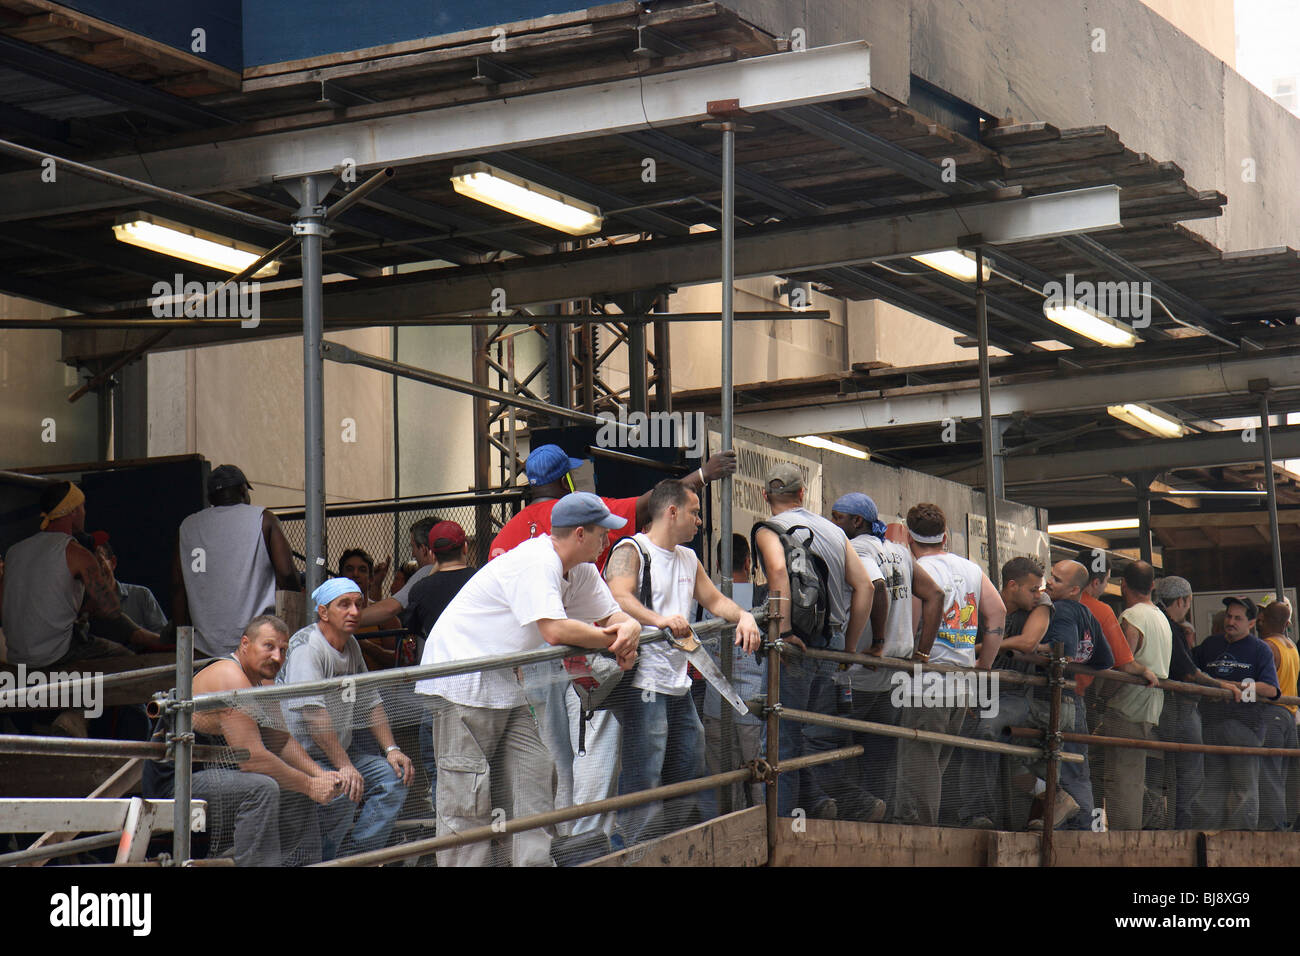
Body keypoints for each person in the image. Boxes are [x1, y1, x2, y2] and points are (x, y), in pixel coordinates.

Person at [416, 493, 641, 866]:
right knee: (467, 799)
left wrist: (628, 628)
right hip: (461, 683)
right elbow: (554, 630)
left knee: (534, 777)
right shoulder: (537, 560)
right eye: (604, 532)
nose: (609, 540)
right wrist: (612, 641)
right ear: (581, 534)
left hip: (504, 684)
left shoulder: (581, 568)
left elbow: (612, 616)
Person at [603, 480, 760, 844]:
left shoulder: (688, 557)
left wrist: (745, 617)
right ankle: (627, 851)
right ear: (671, 511)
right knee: (645, 775)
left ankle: (668, 845)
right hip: (644, 682)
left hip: (678, 683)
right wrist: (659, 620)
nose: (700, 521)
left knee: (687, 767)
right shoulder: (632, 548)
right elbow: (616, 596)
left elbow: (716, 600)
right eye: (695, 512)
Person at [143, 615, 344, 866]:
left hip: (219, 774)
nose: (277, 657)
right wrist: (309, 784)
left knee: (296, 788)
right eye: (268, 646)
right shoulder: (230, 675)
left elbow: (280, 741)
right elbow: (255, 760)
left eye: (283, 650)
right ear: (246, 644)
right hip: (178, 782)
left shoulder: (264, 679)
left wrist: (319, 776)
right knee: (263, 788)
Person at [752, 463, 875, 821]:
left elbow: (777, 571)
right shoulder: (835, 532)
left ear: (765, 495)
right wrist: (848, 647)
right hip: (831, 643)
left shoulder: (769, 529)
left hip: (796, 645)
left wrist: (786, 629)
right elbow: (865, 587)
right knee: (813, 736)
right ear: (803, 493)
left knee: (779, 735)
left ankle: (780, 824)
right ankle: (816, 810)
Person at [279, 578, 413, 860]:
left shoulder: (351, 644)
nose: (354, 611)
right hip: (303, 755)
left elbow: (370, 701)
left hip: (339, 751)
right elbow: (313, 716)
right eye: (345, 605)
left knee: (395, 777)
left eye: (358, 604)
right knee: (344, 790)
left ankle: (356, 858)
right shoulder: (308, 647)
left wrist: (392, 750)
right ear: (323, 612)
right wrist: (345, 766)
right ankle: (327, 861)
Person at [829, 493, 943, 813]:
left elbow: (875, 586)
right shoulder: (899, 551)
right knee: (879, 755)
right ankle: (878, 815)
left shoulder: (860, 547)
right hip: (893, 675)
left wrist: (877, 640)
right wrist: (921, 654)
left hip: (862, 675)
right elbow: (934, 594)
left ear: (857, 522)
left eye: (838, 517)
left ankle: (856, 811)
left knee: (833, 749)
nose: (833, 523)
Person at [894, 503, 1005, 827]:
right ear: (946, 536)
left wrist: (910, 658)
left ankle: (920, 838)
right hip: (963, 680)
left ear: (909, 538)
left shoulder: (917, 569)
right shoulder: (969, 568)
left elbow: (913, 621)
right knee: (933, 764)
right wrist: (982, 668)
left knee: (919, 763)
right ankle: (920, 828)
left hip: (928, 678)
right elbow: (997, 613)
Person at [488, 443, 737, 568]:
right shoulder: (580, 511)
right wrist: (704, 474)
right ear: (566, 480)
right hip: (572, 640)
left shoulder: (505, 533)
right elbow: (651, 502)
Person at [3, 481, 158, 668]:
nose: (85, 513)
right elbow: (110, 609)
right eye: (83, 507)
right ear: (73, 511)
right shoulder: (76, 553)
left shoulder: (14, 552)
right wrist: (105, 583)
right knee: (126, 657)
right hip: (54, 655)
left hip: (17, 656)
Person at [959, 556, 1054, 829]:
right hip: (979, 691)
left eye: (1040, 588)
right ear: (1012, 586)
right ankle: (975, 814)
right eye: (1032, 589)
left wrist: (984, 647)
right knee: (969, 731)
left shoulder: (1041, 604)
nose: (1039, 594)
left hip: (1016, 695)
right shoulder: (980, 605)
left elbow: (1028, 643)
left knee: (984, 729)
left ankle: (978, 814)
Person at [175, 465, 300, 658]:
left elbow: (178, 587)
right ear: (243, 491)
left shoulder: (188, 526)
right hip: (258, 641)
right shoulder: (263, 519)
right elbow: (286, 574)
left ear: (210, 498)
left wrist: (182, 641)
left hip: (205, 647)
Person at [1193, 596, 1278, 830]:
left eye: (1238, 618)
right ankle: (1207, 841)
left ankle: (1241, 842)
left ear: (1251, 623)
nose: (1231, 622)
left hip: (1245, 728)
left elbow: (1271, 688)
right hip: (1209, 726)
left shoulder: (1261, 649)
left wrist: (1237, 687)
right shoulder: (1210, 644)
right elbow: (1190, 671)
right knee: (1211, 787)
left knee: (1244, 789)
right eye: (1229, 616)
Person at [1102, 561, 1172, 830]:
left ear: (1123, 585)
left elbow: (1122, 662)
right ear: (1152, 586)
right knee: (1135, 777)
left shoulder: (1131, 618)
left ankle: (1124, 843)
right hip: (1151, 709)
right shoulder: (1161, 618)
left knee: (1122, 781)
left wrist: (1102, 699)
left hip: (1126, 708)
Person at [701, 534, 767, 812]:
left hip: (716, 706)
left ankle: (730, 834)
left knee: (723, 781)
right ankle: (763, 830)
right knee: (759, 775)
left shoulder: (704, 599)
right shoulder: (762, 597)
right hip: (754, 706)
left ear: (717, 563)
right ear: (749, 561)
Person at [1153, 575, 1211, 829]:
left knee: (1162, 774)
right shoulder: (1169, 626)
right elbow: (1188, 672)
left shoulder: (1159, 621)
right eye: (1188, 602)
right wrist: (1226, 687)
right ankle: (1182, 831)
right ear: (1182, 600)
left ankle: (1163, 825)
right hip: (1177, 711)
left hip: (1158, 711)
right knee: (1188, 776)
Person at [403, 521, 476, 653]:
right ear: (465, 547)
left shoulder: (420, 590)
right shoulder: (482, 579)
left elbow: (413, 627)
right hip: (482, 662)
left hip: (441, 664)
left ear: (431, 554)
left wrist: (432, 573)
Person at [355, 517, 440, 628]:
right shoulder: (461, 573)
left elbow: (390, 608)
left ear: (423, 549)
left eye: (413, 547)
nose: (413, 554)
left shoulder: (428, 571)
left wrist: (342, 620)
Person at [1256, 600, 1297, 830]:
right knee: (1283, 775)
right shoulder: (1291, 645)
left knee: (1269, 774)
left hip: (1271, 716)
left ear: (1263, 619)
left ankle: (1273, 827)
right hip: (1289, 716)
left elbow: (1265, 684)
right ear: (1287, 623)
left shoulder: (1268, 647)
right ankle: (1284, 823)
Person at [89, 535, 168, 643]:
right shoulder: (82, 606)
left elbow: (163, 638)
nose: (97, 570)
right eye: (90, 565)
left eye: (100, 562)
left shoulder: (142, 595)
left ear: (113, 562)